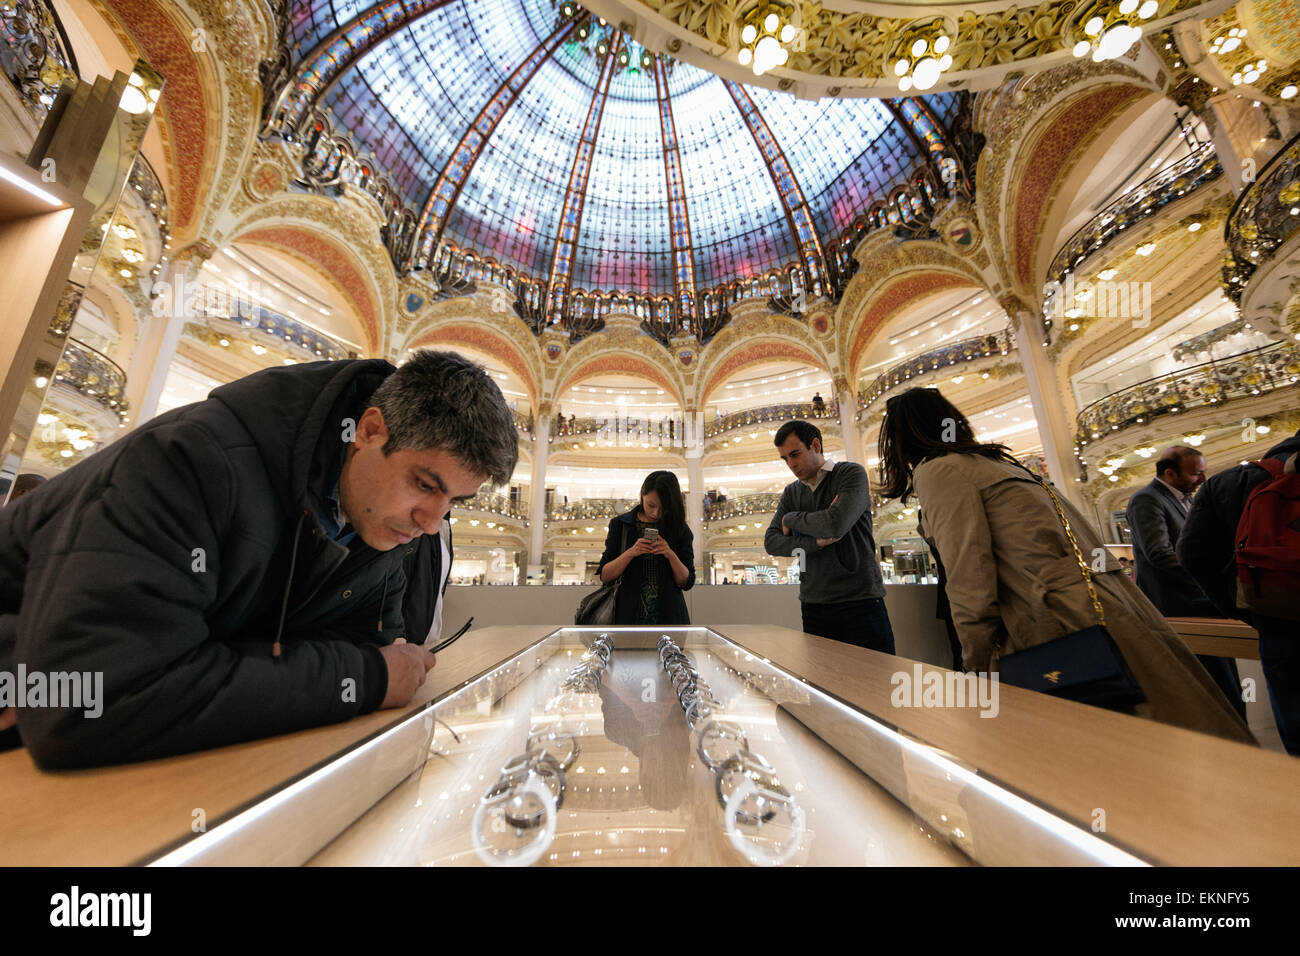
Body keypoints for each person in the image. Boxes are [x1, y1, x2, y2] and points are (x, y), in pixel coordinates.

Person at [0, 350, 518, 768]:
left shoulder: (379, 525)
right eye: (425, 485)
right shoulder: (189, 462)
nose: (432, 521)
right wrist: (368, 678)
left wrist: (262, 674)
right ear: (369, 430)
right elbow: (90, 700)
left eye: (453, 502)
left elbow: (347, 649)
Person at [877, 387, 1252, 743]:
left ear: (900, 438)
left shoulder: (940, 471)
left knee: (1087, 745)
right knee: (1166, 724)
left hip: (1050, 623)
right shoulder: (1000, 464)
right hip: (1108, 609)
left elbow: (969, 577)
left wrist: (976, 664)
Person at [1178, 428, 1300, 754]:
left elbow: (1191, 553)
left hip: (1284, 627)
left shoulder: (1231, 482)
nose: (1201, 475)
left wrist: (1247, 608)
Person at [1126, 446, 1245, 718]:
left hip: (1201, 599)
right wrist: (1207, 573)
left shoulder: (1185, 498)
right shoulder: (1146, 499)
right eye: (1196, 474)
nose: (1203, 479)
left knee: (1224, 673)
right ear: (1170, 473)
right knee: (1212, 679)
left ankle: (1236, 725)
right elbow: (1159, 553)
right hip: (1178, 603)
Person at [764, 420, 894, 653]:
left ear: (815, 445)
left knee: (876, 683)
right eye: (785, 459)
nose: (791, 465)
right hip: (814, 605)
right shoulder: (792, 491)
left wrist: (791, 519)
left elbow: (835, 524)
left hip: (861, 601)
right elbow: (772, 542)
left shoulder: (850, 474)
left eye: (795, 454)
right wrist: (813, 542)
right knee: (823, 685)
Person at [597, 470, 694, 624]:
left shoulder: (680, 530)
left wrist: (670, 554)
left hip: (669, 621)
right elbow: (605, 575)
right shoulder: (621, 525)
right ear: (642, 494)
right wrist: (631, 552)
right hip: (626, 620)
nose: (656, 513)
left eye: (663, 509)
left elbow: (686, 582)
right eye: (651, 505)